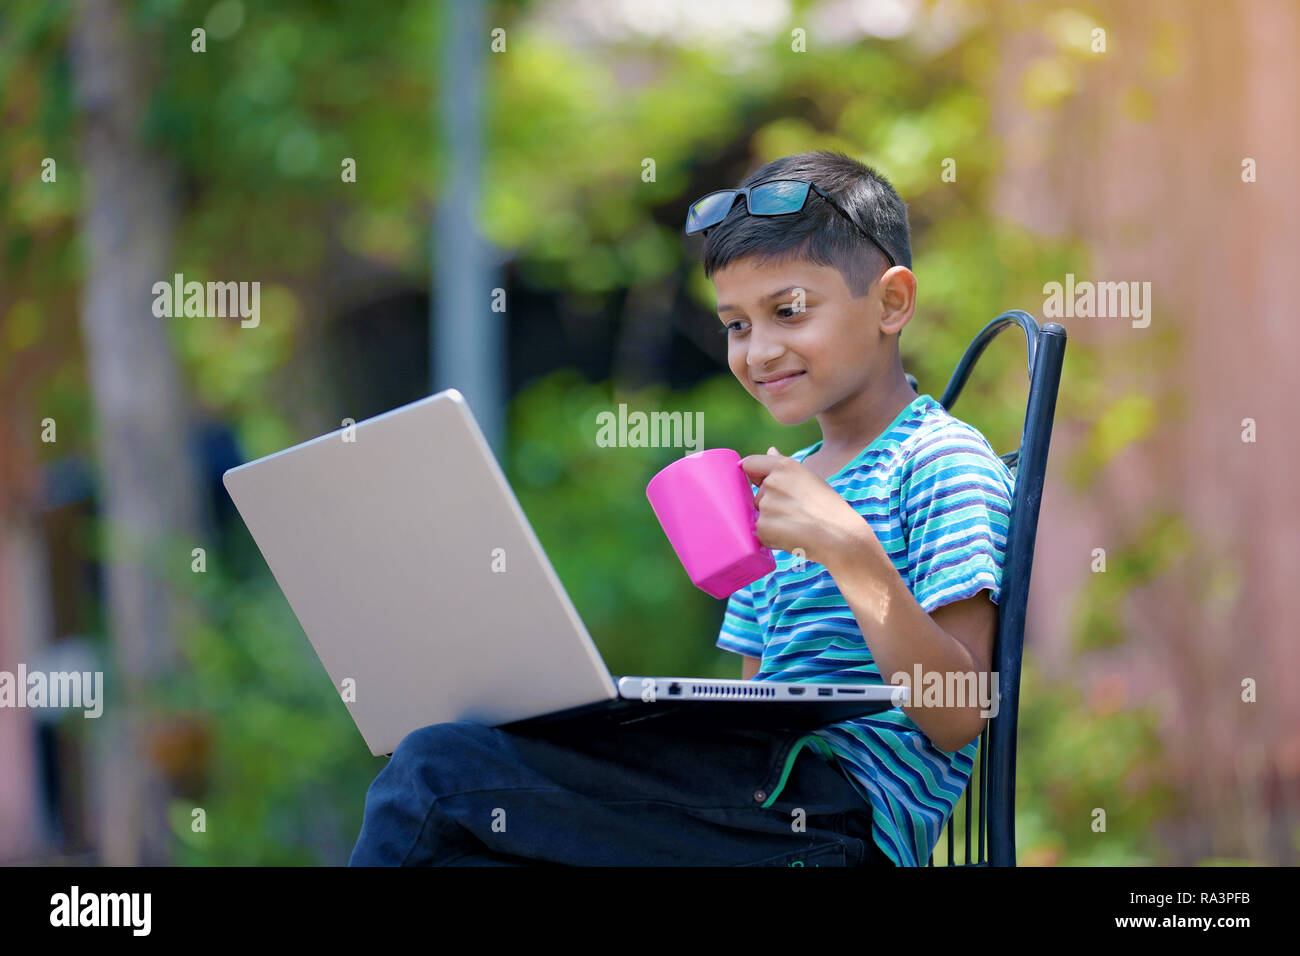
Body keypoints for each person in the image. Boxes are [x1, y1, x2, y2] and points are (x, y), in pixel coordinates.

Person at [349, 148, 1014, 866]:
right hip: (751, 799)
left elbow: (958, 714)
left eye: (788, 312)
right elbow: (755, 707)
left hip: (835, 823)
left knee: (436, 771)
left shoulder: (940, 461)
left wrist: (850, 552)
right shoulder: (780, 490)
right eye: (736, 325)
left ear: (890, 302)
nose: (758, 351)